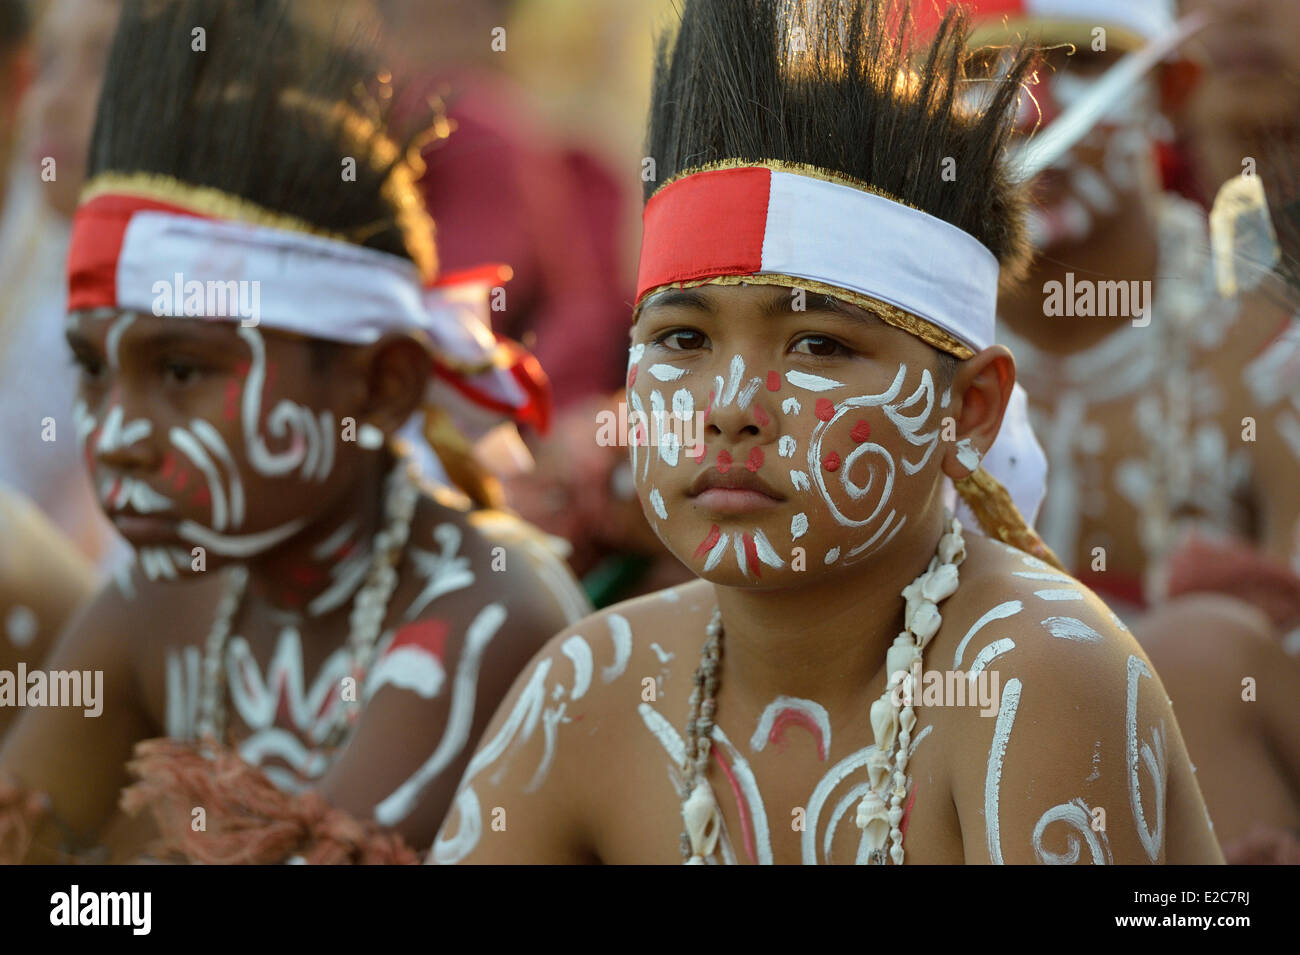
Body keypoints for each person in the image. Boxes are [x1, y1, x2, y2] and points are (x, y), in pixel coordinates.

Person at [432, 0, 1221, 865]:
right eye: (683, 338)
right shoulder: (587, 684)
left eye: (818, 344)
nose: (730, 402)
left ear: (970, 410)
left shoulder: (1036, 674)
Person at [0, 0, 588, 865]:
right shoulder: (163, 598)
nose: (118, 431)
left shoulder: (486, 609)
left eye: (182, 370)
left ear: (380, 386)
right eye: (93, 369)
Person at [916, 0, 1300, 861]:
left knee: (1199, 659)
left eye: (1078, 65)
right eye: (983, 72)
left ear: (1171, 88)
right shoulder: (889, 364)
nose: (1026, 109)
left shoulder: (1274, 350)